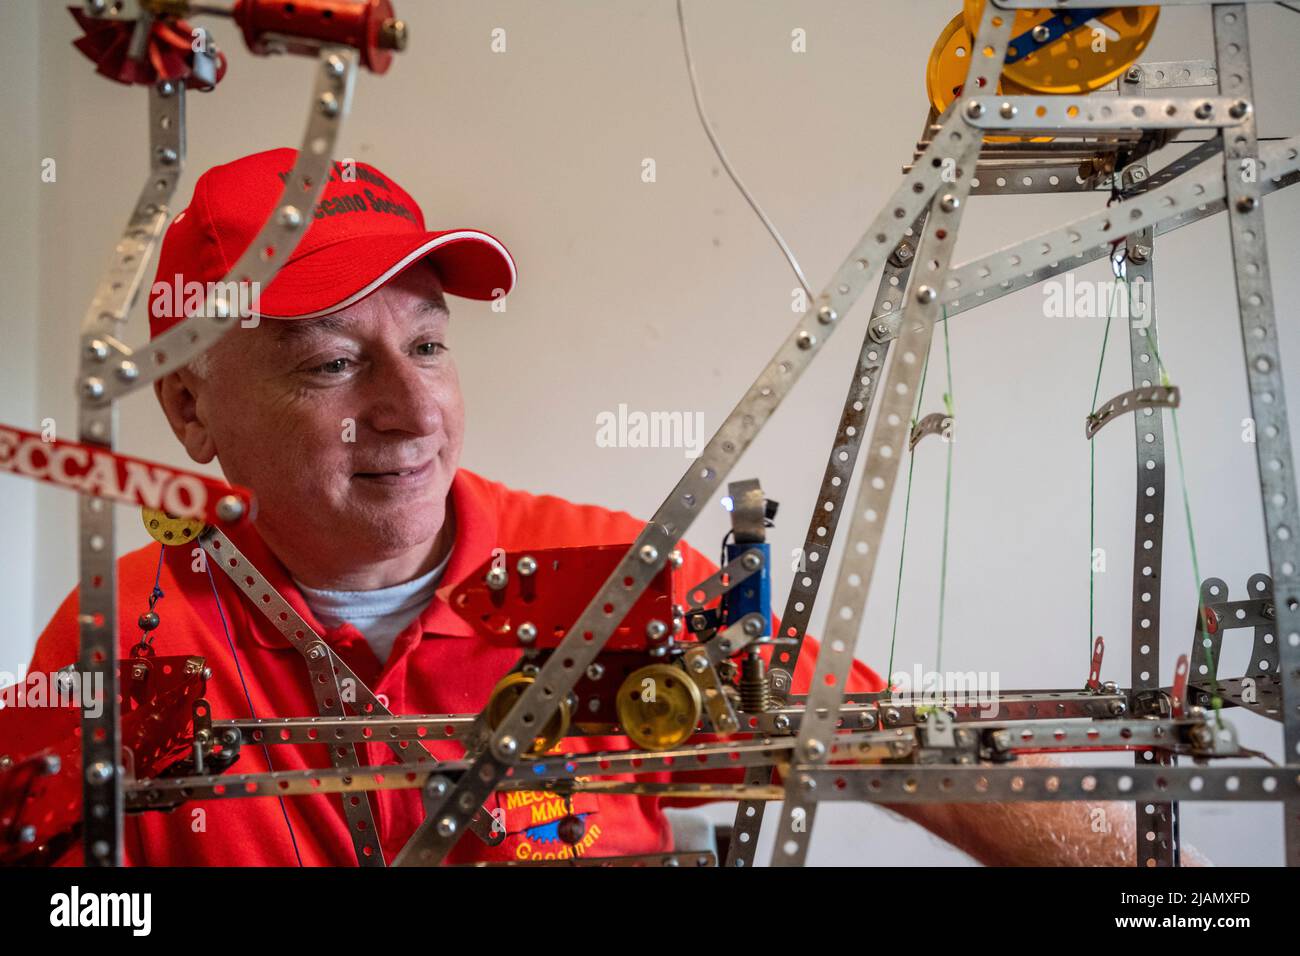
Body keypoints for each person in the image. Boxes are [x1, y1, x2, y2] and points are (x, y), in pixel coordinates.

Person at [27, 148, 1206, 866]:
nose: (410, 408)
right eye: (331, 361)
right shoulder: (120, 635)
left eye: (429, 344)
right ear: (192, 412)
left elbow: (924, 762)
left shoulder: (614, 573)